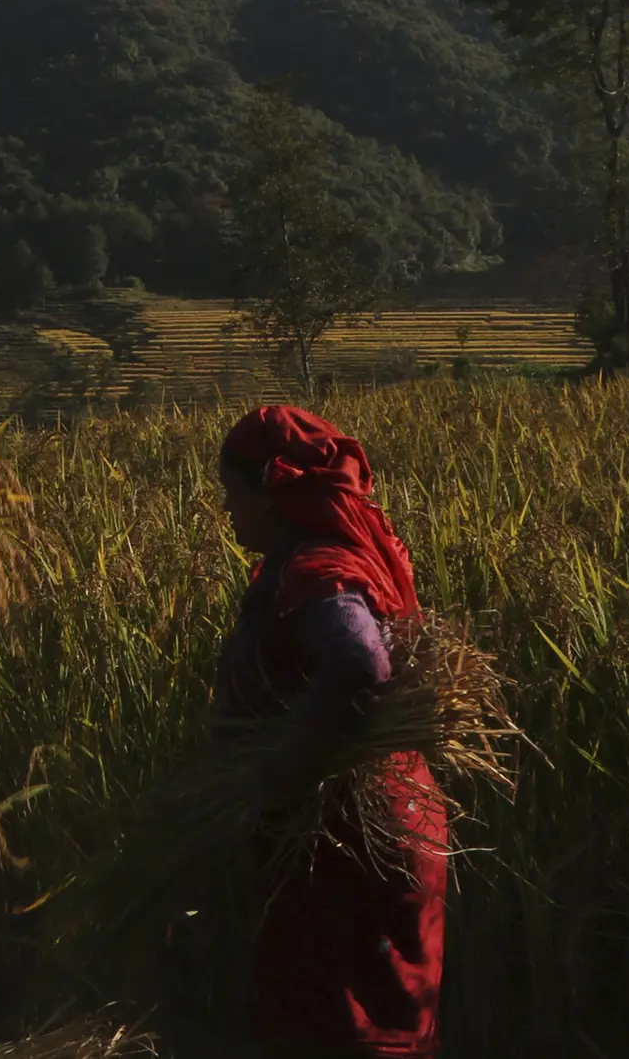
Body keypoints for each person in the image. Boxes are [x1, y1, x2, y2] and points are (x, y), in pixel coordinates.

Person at [215, 407, 445, 1059]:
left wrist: (286, 769)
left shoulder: (316, 568)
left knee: (344, 1033)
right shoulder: (323, 559)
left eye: (233, 494)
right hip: (383, 822)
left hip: (347, 839)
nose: (227, 511)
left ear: (273, 491)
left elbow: (358, 662)